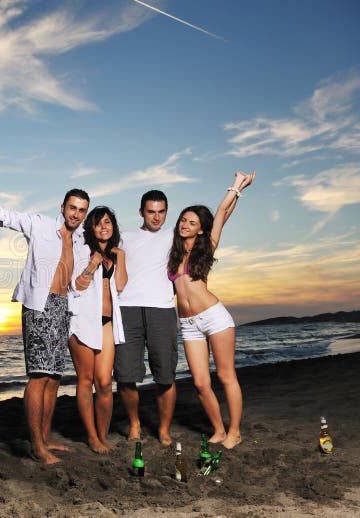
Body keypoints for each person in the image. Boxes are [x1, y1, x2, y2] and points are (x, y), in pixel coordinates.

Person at [0, 188, 90, 464]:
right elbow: (5, 216)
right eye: (72, 207)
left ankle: (47, 437)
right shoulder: (40, 224)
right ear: (63, 206)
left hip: (63, 308)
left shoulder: (79, 240)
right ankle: (37, 446)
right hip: (39, 306)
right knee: (39, 376)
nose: (76, 214)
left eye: (82, 210)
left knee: (53, 378)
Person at [169, 170, 255, 449]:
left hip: (214, 317)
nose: (185, 224)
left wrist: (238, 185)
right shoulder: (172, 252)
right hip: (187, 323)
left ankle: (235, 431)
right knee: (201, 384)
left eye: (192, 222)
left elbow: (221, 212)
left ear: (201, 229)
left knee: (226, 375)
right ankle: (218, 429)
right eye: (183, 219)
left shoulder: (206, 248)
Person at [116, 190, 178, 446]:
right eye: (151, 211)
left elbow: (213, 224)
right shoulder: (125, 237)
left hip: (161, 310)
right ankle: (134, 423)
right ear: (141, 212)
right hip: (127, 308)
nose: (156, 217)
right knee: (125, 375)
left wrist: (236, 190)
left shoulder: (174, 235)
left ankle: (163, 429)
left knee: (165, 376)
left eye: (161, 212)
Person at [67, 206, 127, 453]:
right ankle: (92, 438)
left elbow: (121, 285)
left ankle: (102, 435)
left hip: (107, 322)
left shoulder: (115, 254)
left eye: (108, 223)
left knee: (104, 382)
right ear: (91, 227)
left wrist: (120, 258)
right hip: (82, 320)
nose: (104, 227)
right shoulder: (81, 250)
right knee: (86, 380)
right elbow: (77, 286)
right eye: (99, 223)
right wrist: (93, 263)